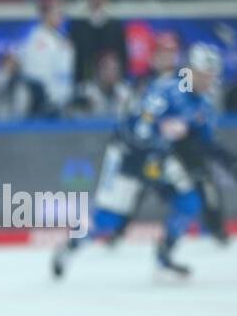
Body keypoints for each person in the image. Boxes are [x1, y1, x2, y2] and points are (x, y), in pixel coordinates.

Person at [53, 43, 234, 279]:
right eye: (203, 74)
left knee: (189, 201)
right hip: (129, 155)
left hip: (158, 158)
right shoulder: (166, 90)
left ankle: (164, 256)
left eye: (211, 75)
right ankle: (71, 246)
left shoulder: (204, 106)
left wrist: (229, 162)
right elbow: (140, 129)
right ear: (190, 70)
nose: (207, 81)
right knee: (108, 218)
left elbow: (206, 143)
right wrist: (157, 151)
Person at [16, 0, 75, 118]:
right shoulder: (37, 39)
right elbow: (36, 82)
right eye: (56, 11)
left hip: (64, 105)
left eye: (61, 11)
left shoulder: (61, 38)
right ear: (44, 14)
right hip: (45, 109)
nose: (60, 15)